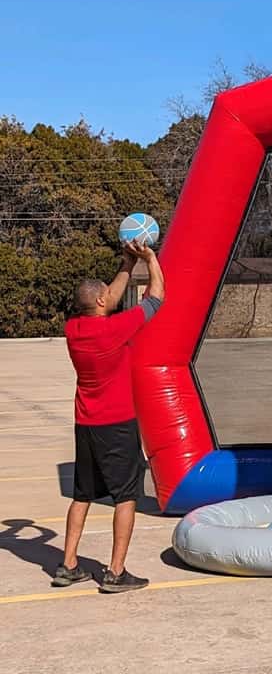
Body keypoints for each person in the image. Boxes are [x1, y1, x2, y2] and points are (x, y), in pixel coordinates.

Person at [54, 239, 165, 592]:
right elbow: (156, 298)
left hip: (85, 425)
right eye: (106, 292)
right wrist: (150, 259)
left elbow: (107, 298)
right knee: (126, 497)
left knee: (82, 495)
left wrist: (126, 264)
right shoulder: (114, 330)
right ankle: (115, 572)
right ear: (101, 301)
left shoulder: (74, 329)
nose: (110, 293)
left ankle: (68, 565)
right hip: (116, 425)